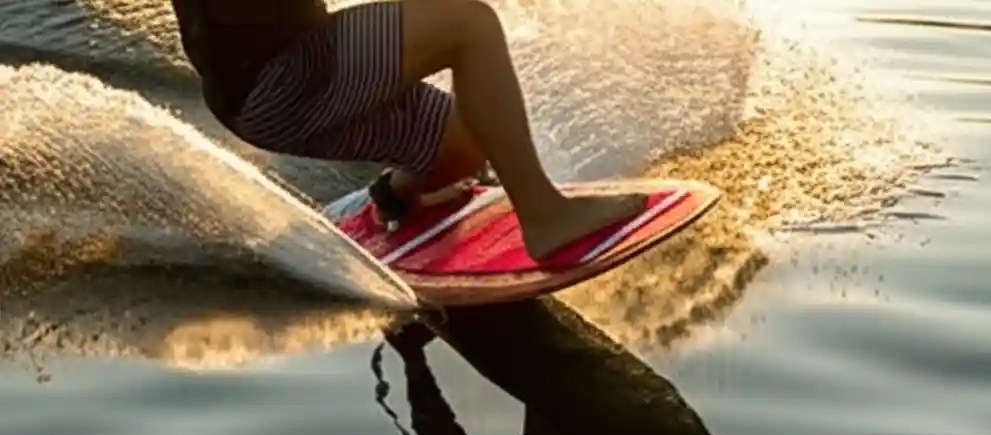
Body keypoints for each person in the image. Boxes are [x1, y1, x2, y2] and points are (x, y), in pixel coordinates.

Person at [171, 0, 646, 258]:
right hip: (285, 78)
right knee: (470, 25)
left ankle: (397, 194)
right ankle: (545, 217)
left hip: (262, 99)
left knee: (474, 141)